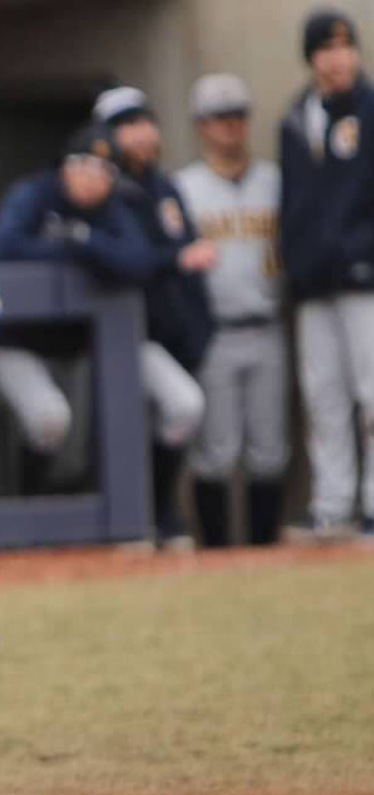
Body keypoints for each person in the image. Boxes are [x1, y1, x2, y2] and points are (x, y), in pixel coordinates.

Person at [0, 125, 201, 510]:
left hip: (82, 343)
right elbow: (6, 249)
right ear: (63, 167)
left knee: (179, 407)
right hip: (17, 339)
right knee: (50, 421)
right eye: (81, 165)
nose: (89, 176)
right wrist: (81, 253)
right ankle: (26, 517)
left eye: (102, 169)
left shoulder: (114, 207)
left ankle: (153, 513)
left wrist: (81, 239)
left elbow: (139, 262)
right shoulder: (33, 194)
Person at [94, 85, 214, 547]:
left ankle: (156, 511)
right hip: (127, 331)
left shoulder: (164, 186)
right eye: (126, 126)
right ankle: (148, 512)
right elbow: (139, 259)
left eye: (144, 123)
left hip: (174, 331)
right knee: (179, 406)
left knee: (178, 416)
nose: (139, 135)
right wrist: (175, 259)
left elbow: (186, 256)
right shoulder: (107, 190)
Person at [174, 75, 290, 547]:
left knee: (270, 449)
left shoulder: (275, 182)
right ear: (201, 125)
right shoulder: (183, 188)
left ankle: (264, 550)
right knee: (216, 450)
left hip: (268, 324)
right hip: (215, 329)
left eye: (238, 115)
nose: (231, 126)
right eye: (220, 117)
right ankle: (218, 554)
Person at [279, 8, 374, 541]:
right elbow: (294, 205)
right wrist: (299, 264)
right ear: (311, 58)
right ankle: (332, 505)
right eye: (326, 50)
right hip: (313, 284)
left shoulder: (371, 109)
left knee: (373, 392)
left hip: (365, 278)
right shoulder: (296, 118)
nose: (337, 60)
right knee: (324, 398)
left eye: (345, 48)